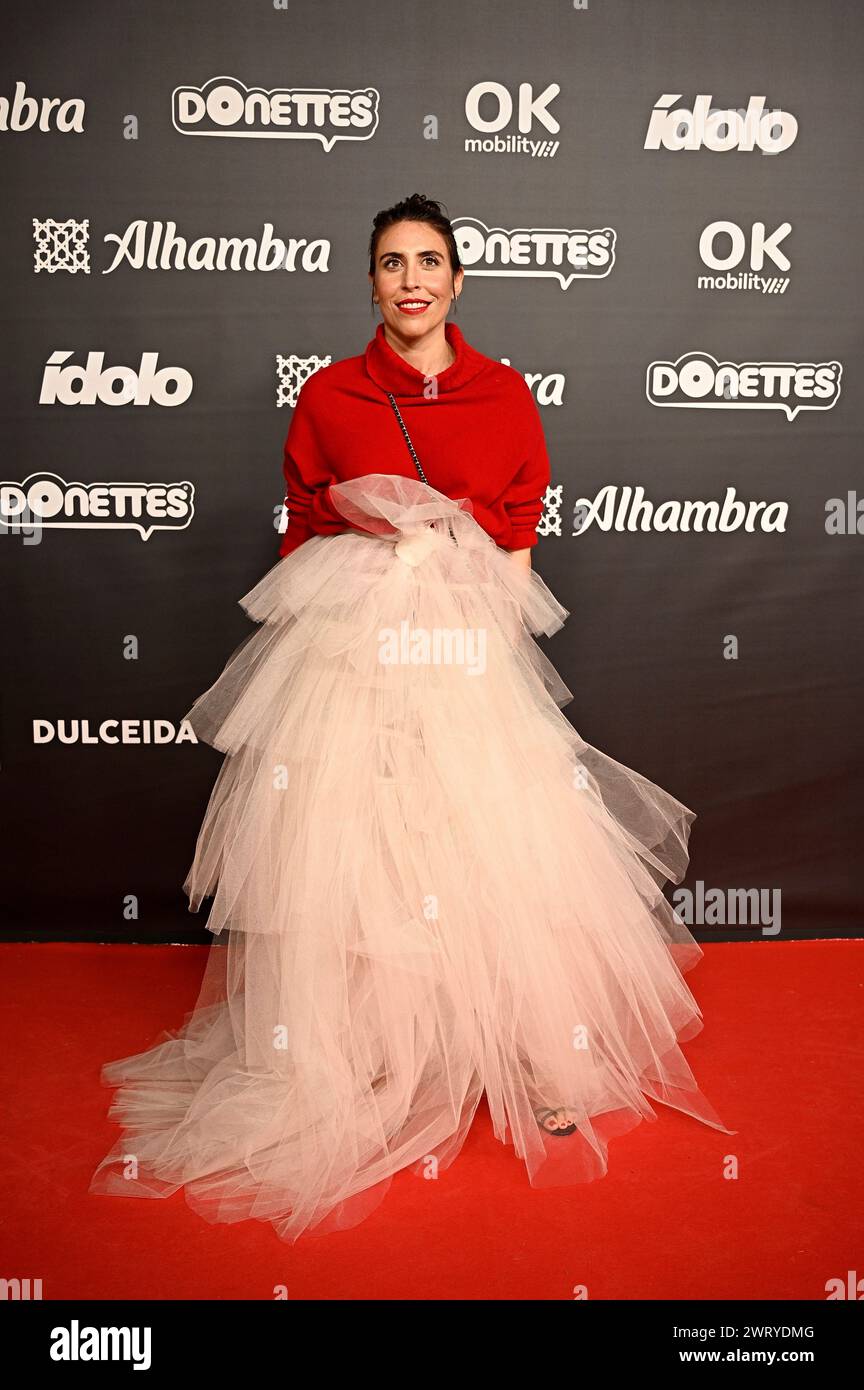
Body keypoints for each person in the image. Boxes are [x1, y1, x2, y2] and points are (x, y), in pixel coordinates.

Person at [89, 193, 735, 1244]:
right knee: (359, 843)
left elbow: (520, 527)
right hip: (358, 658)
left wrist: (498, 643)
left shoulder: (504, 394)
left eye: (429, 261)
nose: (412, 280)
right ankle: (372, 1046)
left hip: (467, 655)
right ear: (372, 281)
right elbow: (303, 527)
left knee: (491, 833)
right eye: (393, 263)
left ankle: (532, 1049)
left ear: (458, 280)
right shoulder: (333, 396)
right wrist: (328, 658)